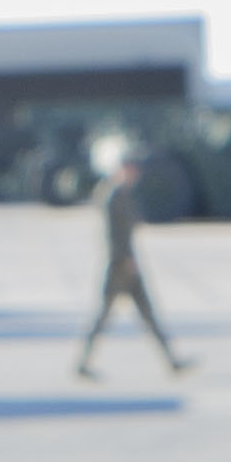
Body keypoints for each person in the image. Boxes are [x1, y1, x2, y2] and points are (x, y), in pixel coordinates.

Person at [76, 134, 188, 379]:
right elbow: (114, 234)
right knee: (104, 316)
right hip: (120, 265)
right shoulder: (113, 195)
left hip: (127, 263)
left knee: (147, 314)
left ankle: (172, 361)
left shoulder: (122, 193)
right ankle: (82, 364)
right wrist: (125, 260)